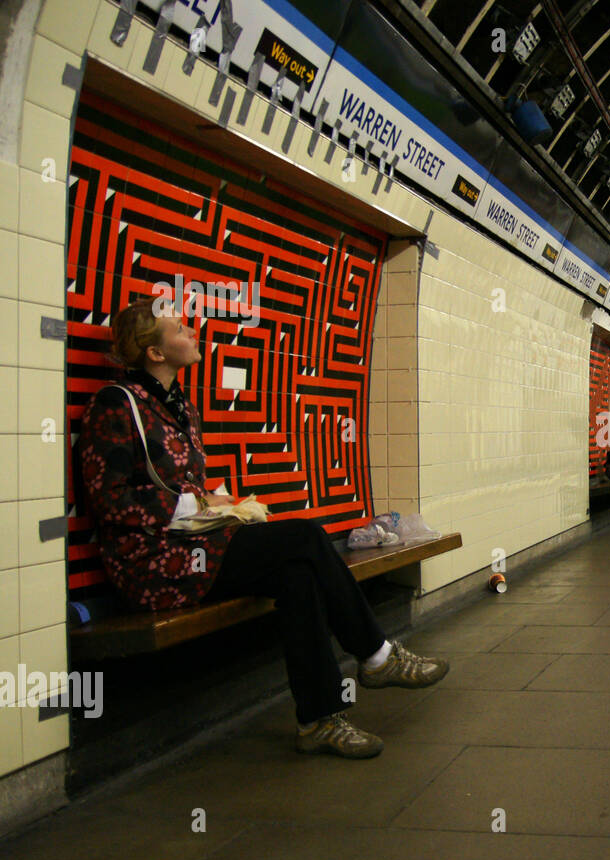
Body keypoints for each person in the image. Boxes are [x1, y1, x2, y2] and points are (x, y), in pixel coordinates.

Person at [76, 298, 448, 759]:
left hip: (197, 548)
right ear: (154, 352)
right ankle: (376, 656)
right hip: (152, 565)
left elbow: (179, 484)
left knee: (299, 575)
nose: (191, 332)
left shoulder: (181, 408)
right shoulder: (114, 406)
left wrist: (219, 502)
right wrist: (195, 502)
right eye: (179, 328)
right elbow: (107, 496)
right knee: (305, 537)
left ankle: (320, 721)